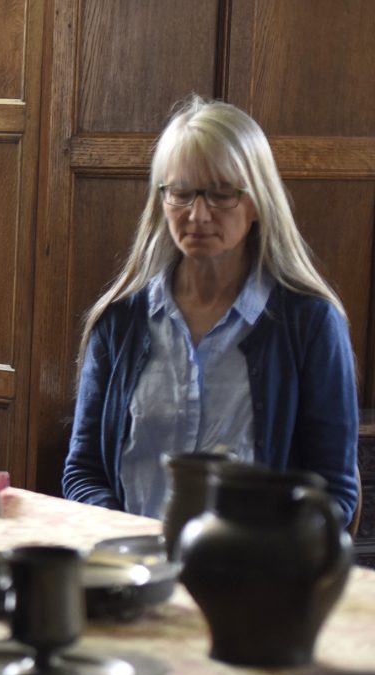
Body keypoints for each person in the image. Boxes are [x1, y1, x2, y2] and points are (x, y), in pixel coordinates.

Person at [62, 96, 360, 527]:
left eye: (221, 194)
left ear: (257, 202)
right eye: (181, 194)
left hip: (259, 576)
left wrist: (267, 556)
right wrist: (129, 540)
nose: (198, 215)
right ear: (160, 200)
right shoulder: (119, 322)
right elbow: (83, 472)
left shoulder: (309, 323)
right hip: (134, 568)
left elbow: (335, 490)